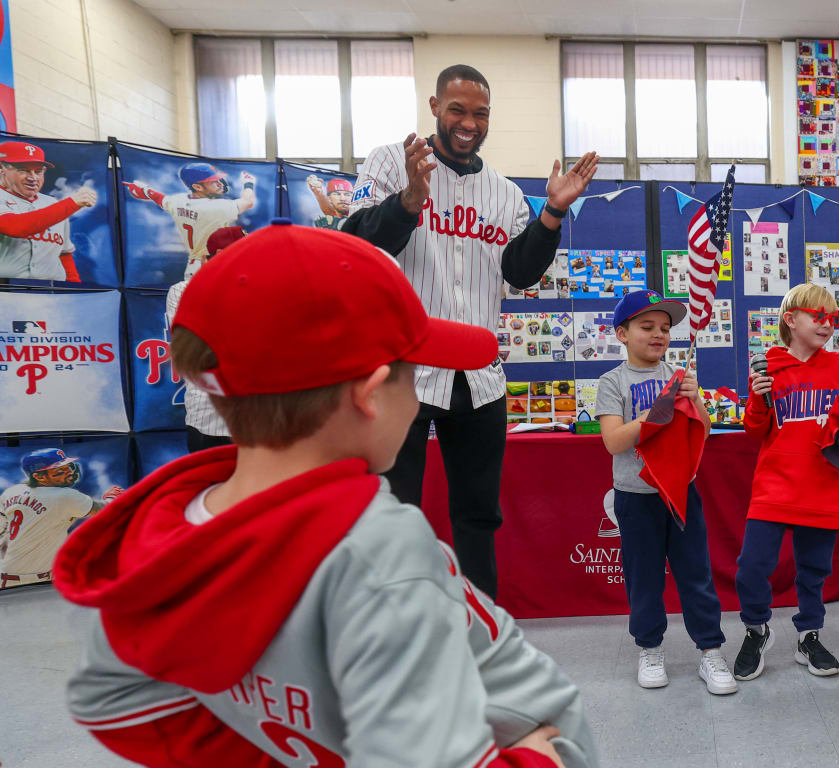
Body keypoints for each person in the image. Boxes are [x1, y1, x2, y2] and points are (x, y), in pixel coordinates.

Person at [52, 223, 594, 768]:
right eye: (415, 375)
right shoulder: (378, 546)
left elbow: (113, 700)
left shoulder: (163, 533)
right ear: (370, 395)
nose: (420, 398)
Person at [342, 63, 600, 598]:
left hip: (478, 379)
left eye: (480, 113)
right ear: (435, 107)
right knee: (393, 513)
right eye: (457, 109)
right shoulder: (392, 163)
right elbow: (358, 245)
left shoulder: (503, 192)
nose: (468, 122)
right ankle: (398, 626)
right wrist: (407, 202)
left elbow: (520, 272)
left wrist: (551, 213)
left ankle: (480, 625)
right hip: (403, 374)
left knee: (479, 515)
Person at [595, 289, 735, 696]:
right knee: (644, 578)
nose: (658, 334)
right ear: (622, 333)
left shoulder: (678, 376)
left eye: (665, 328)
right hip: (635, 497)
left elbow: (702, 432)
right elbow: (613, 441)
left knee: (696, 574)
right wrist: (651, 416)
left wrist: (696, 402)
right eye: (647, 327)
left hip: (680, 493)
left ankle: (710, 650)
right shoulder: (612, 382)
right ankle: (650, 647)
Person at [733, 284, 839, 681]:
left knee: (814, 571)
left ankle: (809, 634)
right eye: (819, 316)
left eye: (834, 318)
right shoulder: (767, 368)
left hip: (824, 487)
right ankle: (757, 629)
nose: (828, 325)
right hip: (774, 487)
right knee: (751, 567)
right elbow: (755, 431)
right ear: (791, 320)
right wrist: (757, 400)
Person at [165, 225, 245, 453]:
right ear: (217, 256)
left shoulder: (261, 289)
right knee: (211, 487)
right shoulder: (183, 290)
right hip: (209, 416)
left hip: (256, 419)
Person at [0, 448, 121, 589]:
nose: (69, 472)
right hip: (35, 582)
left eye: (67, 466)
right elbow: (104, 510)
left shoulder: (12, 491)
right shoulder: (64, 496)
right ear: (40, 477)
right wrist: (112, 498)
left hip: (5, 576)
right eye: (59, 470)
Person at [123, 162, 257, 280]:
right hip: (211, 267)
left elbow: (160, 198)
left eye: (218, 179)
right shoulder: (217, 207)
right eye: (213, 182)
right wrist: (248, 183)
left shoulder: (178, 200)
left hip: (193, 268)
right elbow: (248, 201)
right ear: (197, 187)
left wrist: (145, 191)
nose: (219, 184)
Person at [0, 141, 97, 282]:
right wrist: (71, 204)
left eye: (38, 171)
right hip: (6, 291)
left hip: (50, 292)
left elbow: (64, 254)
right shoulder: (62, 207)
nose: (33, 178)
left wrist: (74, 289)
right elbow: (15, 226)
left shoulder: (52, 204)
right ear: (2, 168)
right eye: (24, 170)